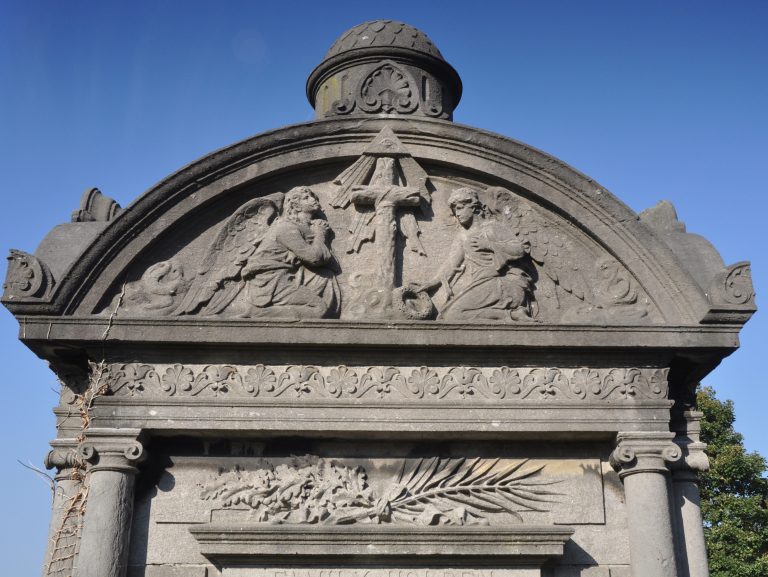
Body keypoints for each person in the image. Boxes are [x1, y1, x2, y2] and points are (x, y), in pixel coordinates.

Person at [416, 187, 535, 321]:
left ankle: (511, 314)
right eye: (455, 210)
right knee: (449, 315)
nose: (457, 213)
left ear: (473, 207)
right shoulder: (462, 236)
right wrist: (431, 283)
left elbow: (519, 250)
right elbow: (450, 264)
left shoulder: (493, 227)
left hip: (504, 285)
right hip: (483, 285)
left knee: (452, 315)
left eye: (460, 208)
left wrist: (489, 244)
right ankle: (511, 315)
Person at [241, 186, 340, 318]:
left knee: (326, 274)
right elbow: (314, 258)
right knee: (319, 308)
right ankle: (260, 312)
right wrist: (320, 233)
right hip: (271, 282)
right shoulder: (285, 227)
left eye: (313, 197)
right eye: (306, 198)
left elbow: (329, 261)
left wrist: (318, 234)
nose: (313, 200)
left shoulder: (305, 227)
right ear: (296, 206)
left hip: (288, 275)